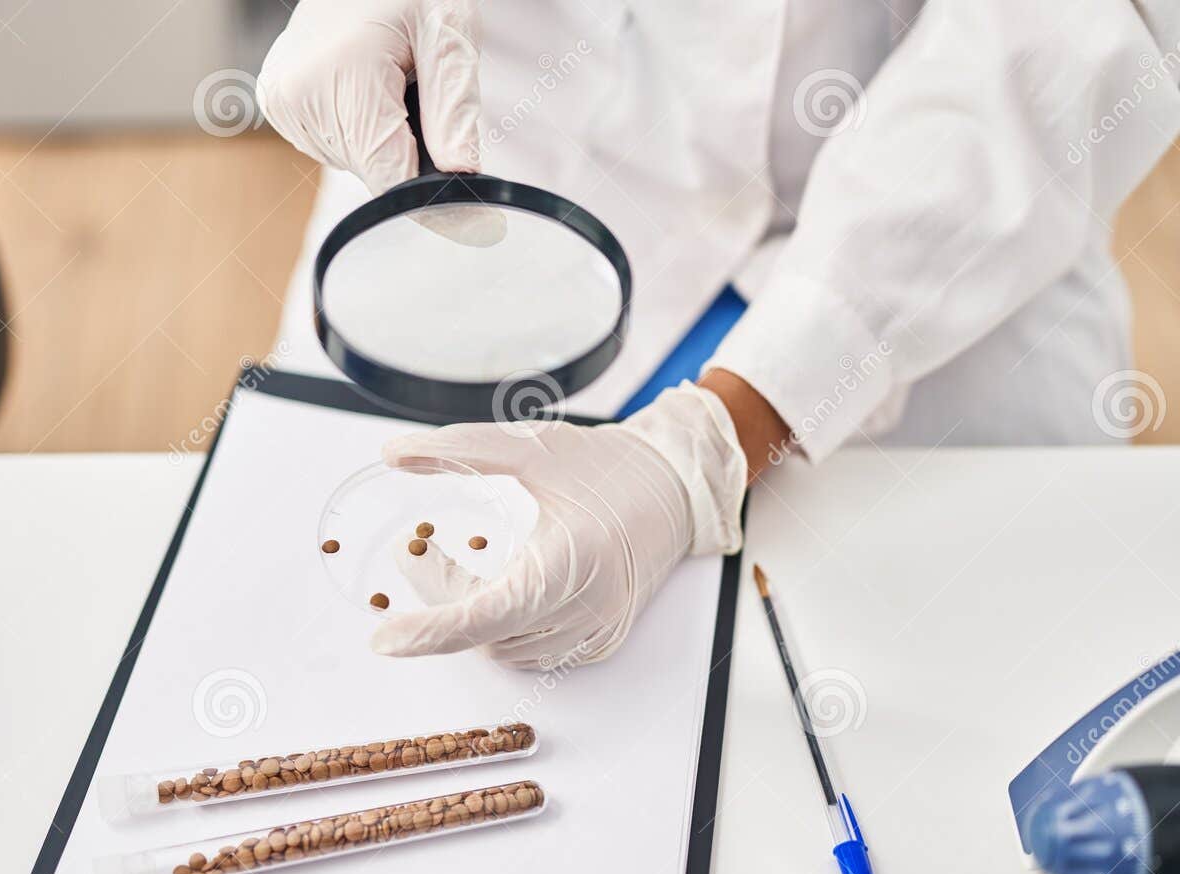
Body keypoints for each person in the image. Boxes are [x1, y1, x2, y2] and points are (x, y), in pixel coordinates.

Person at [256, 0, 1180, 667]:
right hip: (496, 156)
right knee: (323, 630)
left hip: (946, 210)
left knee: (969, 692)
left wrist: (706, 448)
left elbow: (1082, 30)